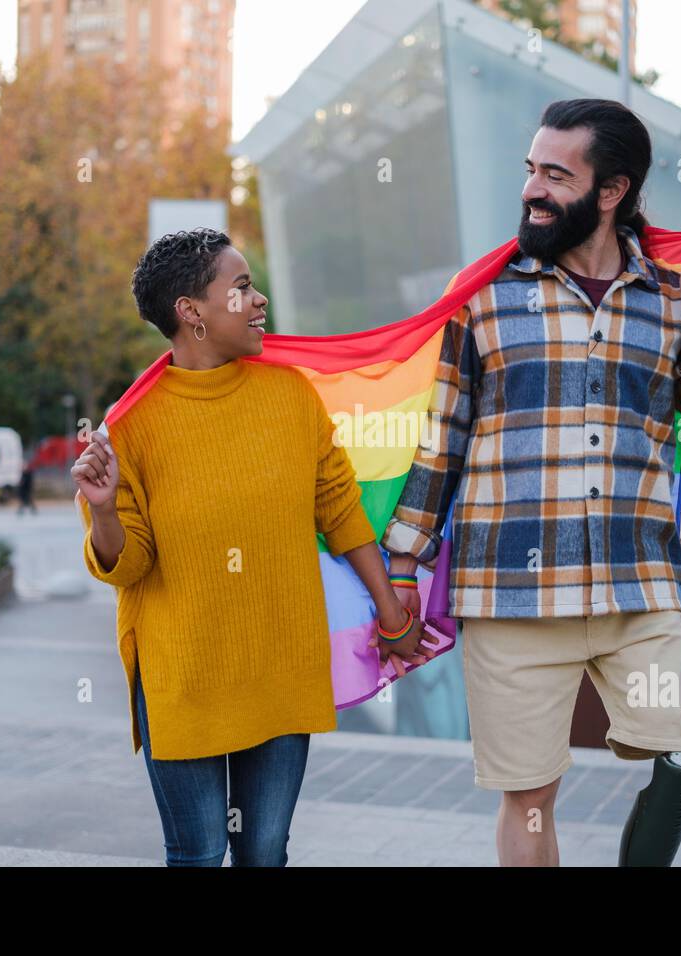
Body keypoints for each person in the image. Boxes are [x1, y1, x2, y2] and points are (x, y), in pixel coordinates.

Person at [381, 99, 681, 867]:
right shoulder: (484, 294)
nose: (533, 189)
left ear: (612, 190)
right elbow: (443, 437)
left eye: (557, 175)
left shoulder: (672, 296)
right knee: (529, 798)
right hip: (510, 593)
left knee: (678, 759)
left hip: (638, 587)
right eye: (532, 170)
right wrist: (402, 566)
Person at [72, 228, 429, 867]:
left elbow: (340, 511)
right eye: (240, 288)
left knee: (264, 853)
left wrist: (392, 613)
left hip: (281, 669)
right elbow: (128, 564)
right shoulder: (130, 427)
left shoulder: (289, 395)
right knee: (200, 854)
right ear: (191, 311)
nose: (259, 299)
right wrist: (102, 509)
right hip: (183, 680)